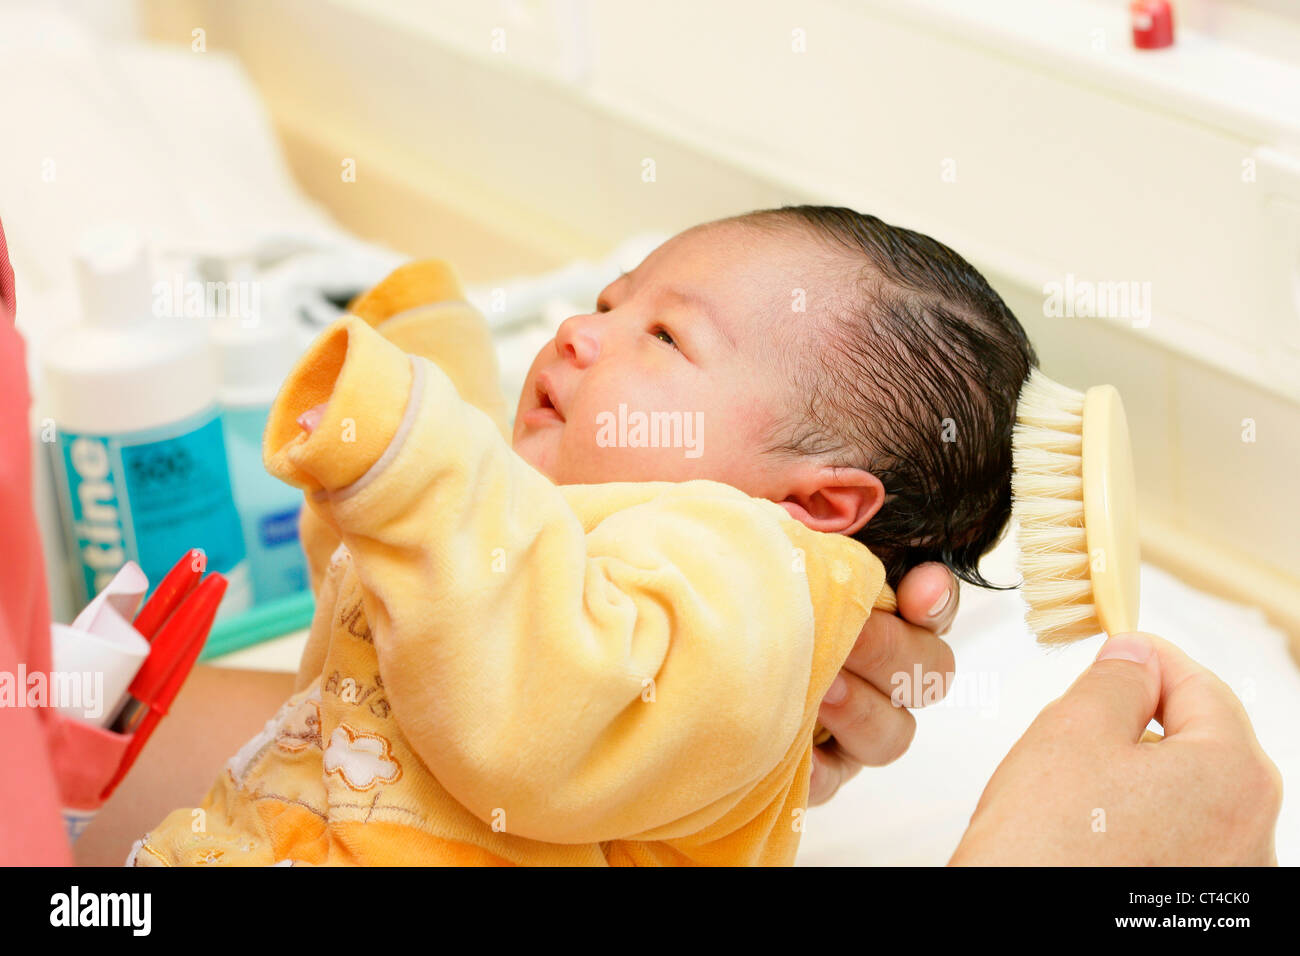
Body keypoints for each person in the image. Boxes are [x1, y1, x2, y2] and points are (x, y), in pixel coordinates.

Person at [132, 208, 1282, 865]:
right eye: (611, 298)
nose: (582, 332)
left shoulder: (741, 570)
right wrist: (450, 411)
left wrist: (413, 446)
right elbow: (394, 620)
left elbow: (525, 712)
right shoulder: (573, 539)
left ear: (813, 507)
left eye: (667, 337)